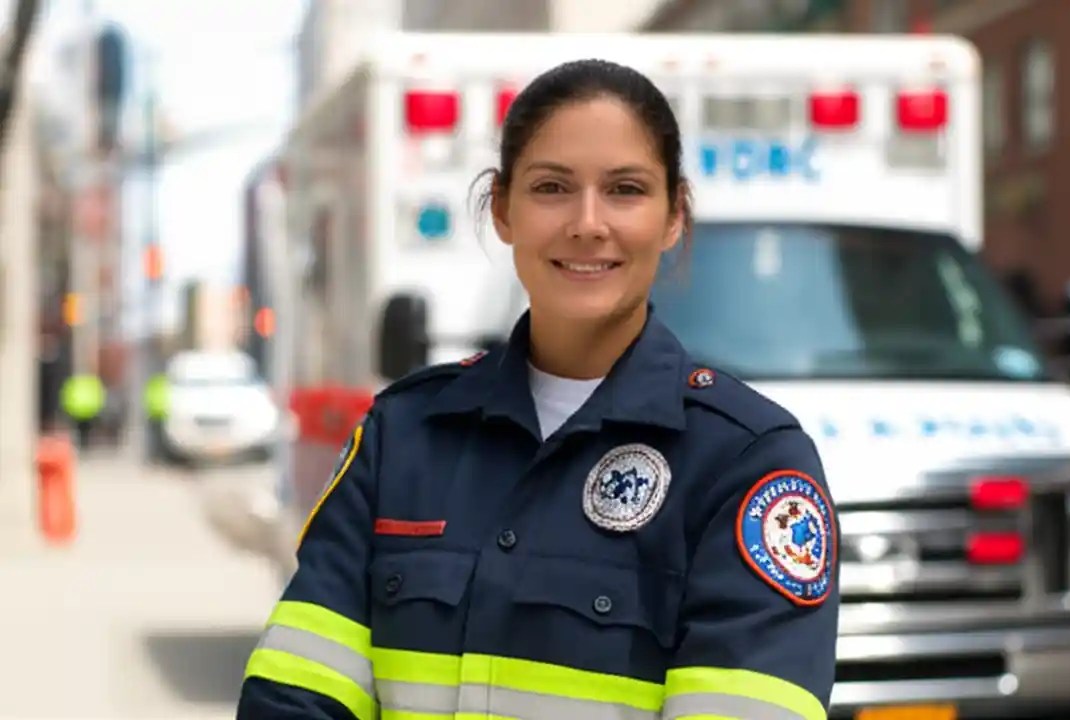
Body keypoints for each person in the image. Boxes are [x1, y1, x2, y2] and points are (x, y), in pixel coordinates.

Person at [237, 57, 839, 720]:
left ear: (674, 215)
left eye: (625, 189)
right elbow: (293, 699)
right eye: (552, 187)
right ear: (503, 209)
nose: (587, 222)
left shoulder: (745, 463)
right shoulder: (400, 439)